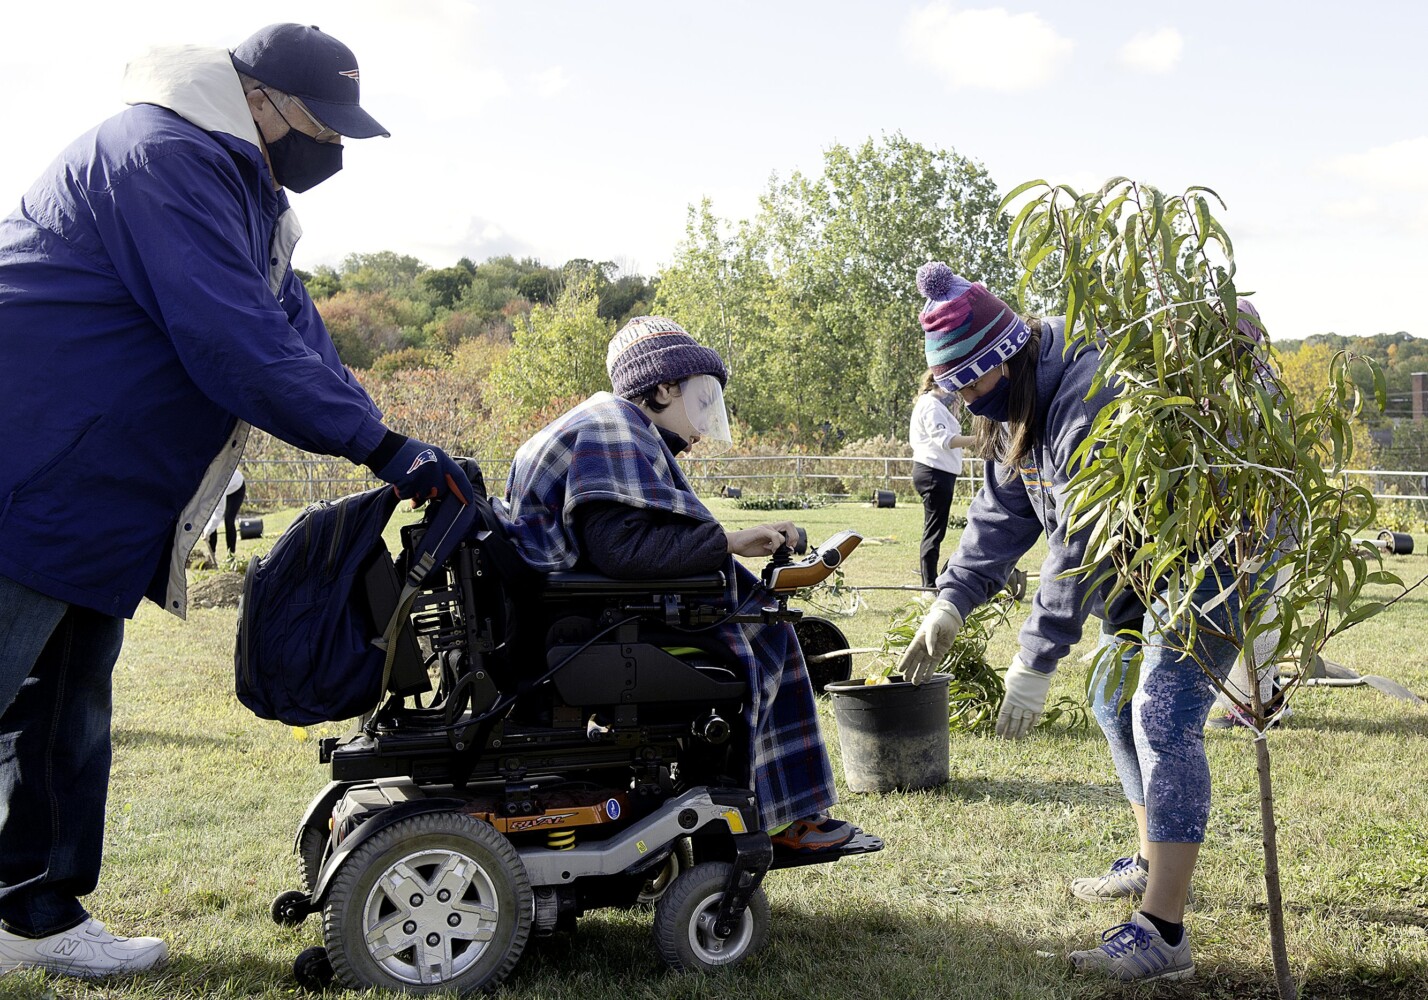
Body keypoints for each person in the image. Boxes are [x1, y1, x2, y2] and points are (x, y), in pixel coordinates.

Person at [0, 25, 473, 978]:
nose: (329, 148)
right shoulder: (162, 158)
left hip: (98, 497)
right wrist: (383, 449)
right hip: (28, 467)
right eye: (319, 122)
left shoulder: (247, 197)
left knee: (66, 709)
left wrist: (405, 448)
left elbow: (297, 339)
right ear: (258, 100)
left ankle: (34, 916)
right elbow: (234, 338)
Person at [897, 262, 1259, 982]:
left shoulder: (1089, 394)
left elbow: (1081, 542)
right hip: (1143, 558)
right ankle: (1153, 859)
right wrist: (952, 602)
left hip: (1216, 547)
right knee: (1112, 696)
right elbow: (1002, 515)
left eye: (970, 385)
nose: (968, 405)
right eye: (955, 390)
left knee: (1163, 713)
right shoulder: (1017, 406)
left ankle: (1164, 934)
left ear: (1004, 360)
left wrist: (1034, 660)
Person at [496, 316, 855, 852]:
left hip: (561, 609)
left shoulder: (605, 421)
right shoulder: (612, 427)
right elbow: (621, 551)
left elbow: (622, 539)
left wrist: (730, 542)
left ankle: (754, 807)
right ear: (662, 388)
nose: (705, 422)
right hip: (583, 620)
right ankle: (784, 818)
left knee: (761, 624)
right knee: (770, 635)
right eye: (702, 398)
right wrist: (728, 543)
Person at [909, 368, 976, 589]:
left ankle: (931, 579)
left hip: (939, 472)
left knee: (936, 529)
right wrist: (977, 439)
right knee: (934, 530)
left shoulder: (937, 406)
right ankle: (928, 584)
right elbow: (945, 440)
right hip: (934, 472)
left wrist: (955, 413)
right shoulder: (931, 405)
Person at [203, 467, 248, 565]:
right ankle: (212, 556)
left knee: (229, 520)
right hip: (226, 488)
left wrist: (208, 531)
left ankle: (231, 556)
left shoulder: (218, 482)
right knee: (209, 519)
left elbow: (219, 511)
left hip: (237, 489)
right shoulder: (204, 482)